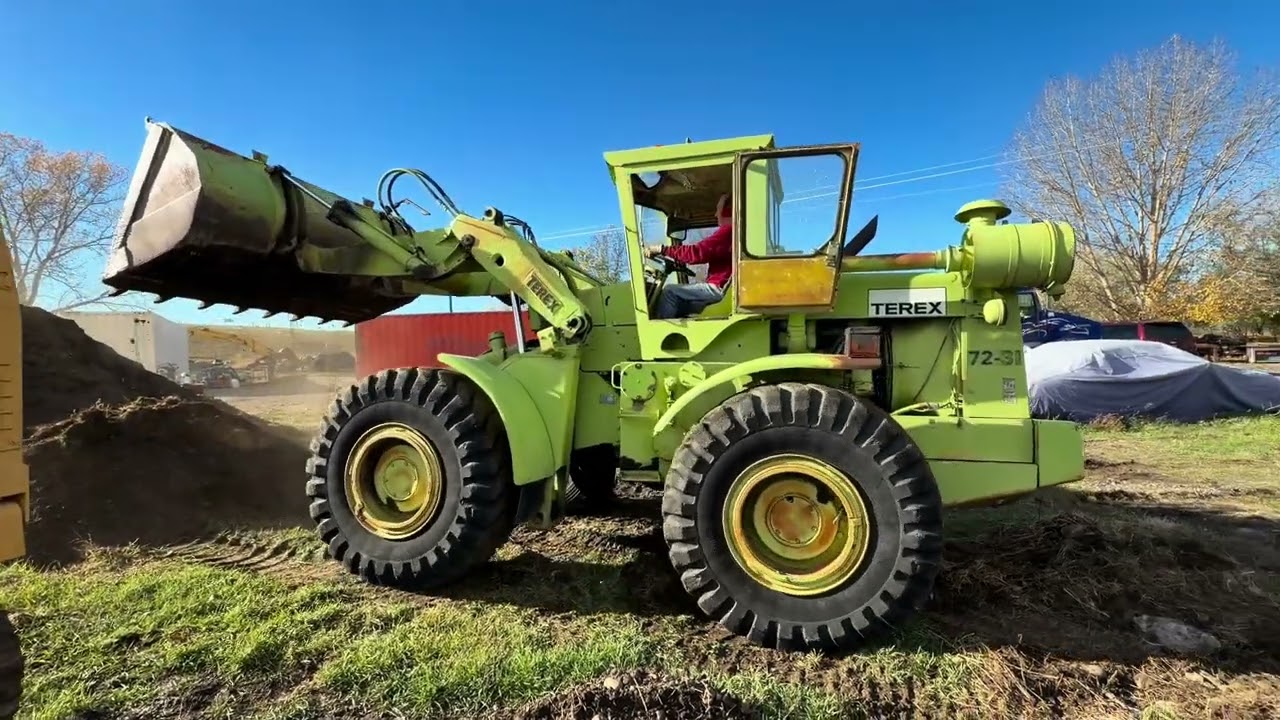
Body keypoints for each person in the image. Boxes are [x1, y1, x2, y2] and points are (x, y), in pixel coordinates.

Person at [644, 193, 733, 318]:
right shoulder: (734, 233)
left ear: (727, 211)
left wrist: (661, 249)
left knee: (670, 292)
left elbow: (696, 253)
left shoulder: (728, 231)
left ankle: (661, 333)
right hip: (721, 288)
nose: (715, 214)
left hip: (717, 289)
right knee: (679, 304)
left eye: (718, 210)